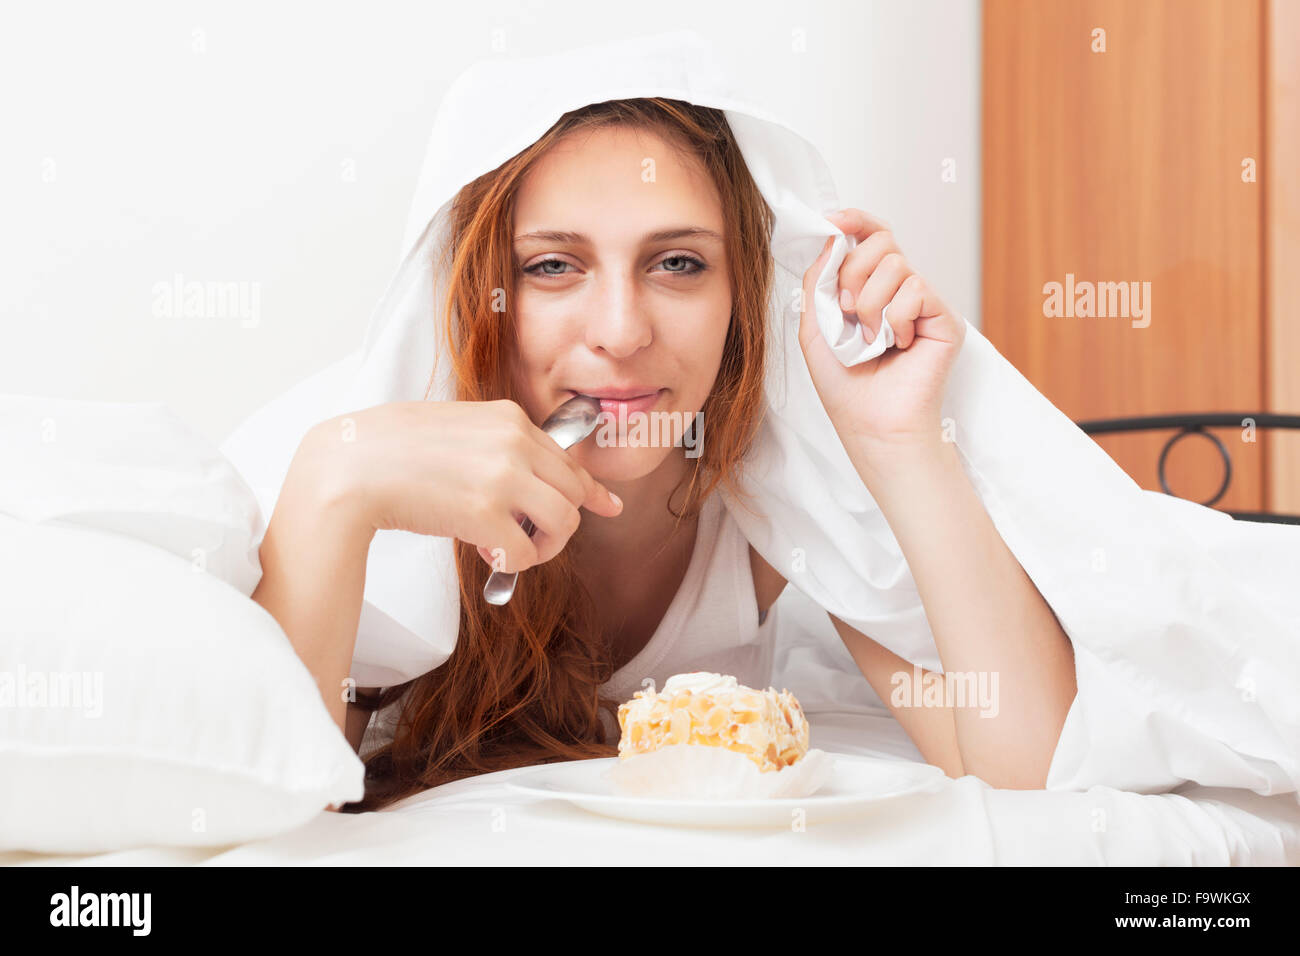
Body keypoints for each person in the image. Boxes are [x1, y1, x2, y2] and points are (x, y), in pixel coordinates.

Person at [248, 97, 1077, 812]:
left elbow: (1033, 782)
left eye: (677, 263)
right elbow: (262, 806)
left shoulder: (772, 486)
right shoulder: (401, 497)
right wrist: (332, 484)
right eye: (552, 267)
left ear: (739, 301)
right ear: (477, 300)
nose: (620, 332)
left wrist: (904, 444)